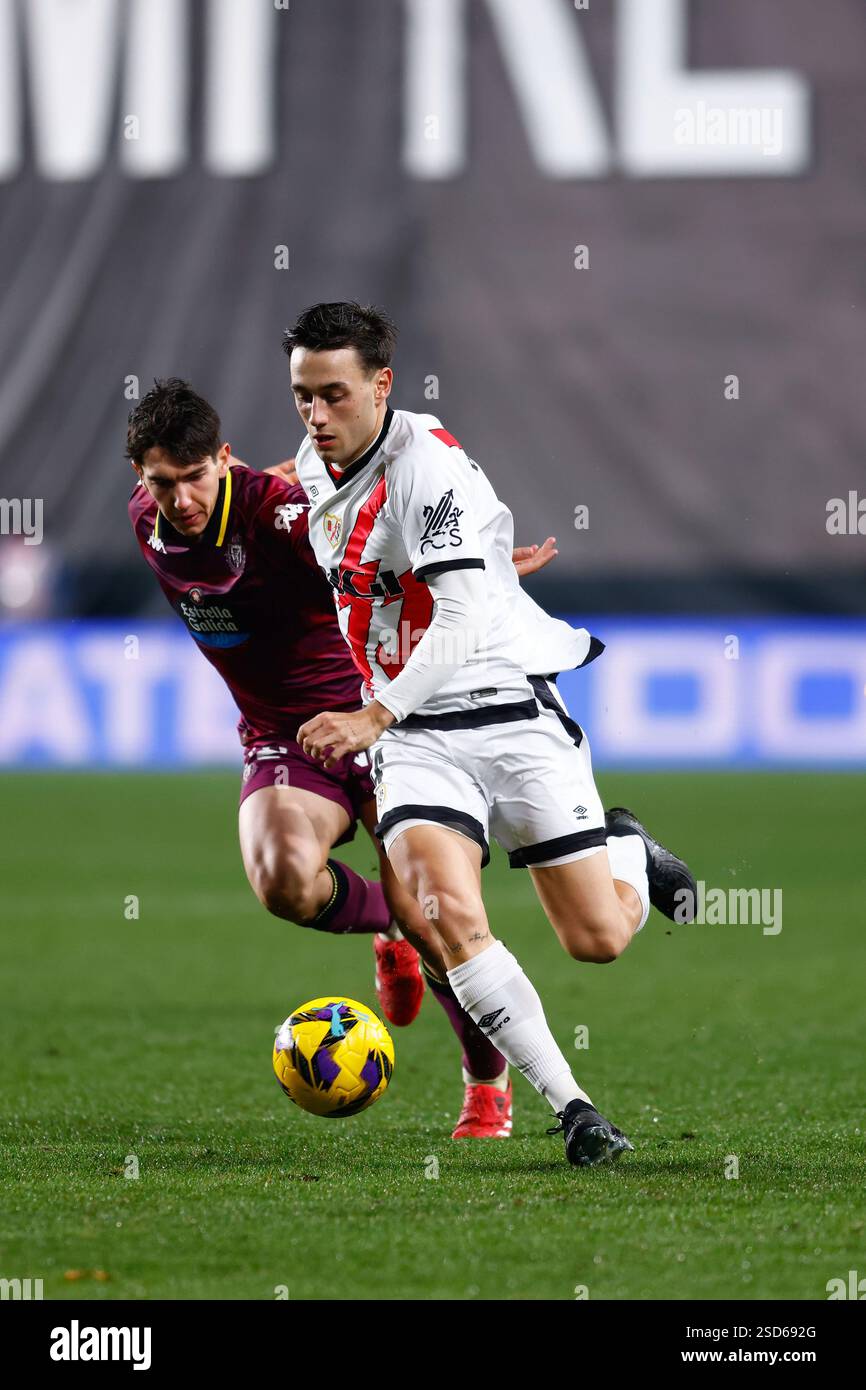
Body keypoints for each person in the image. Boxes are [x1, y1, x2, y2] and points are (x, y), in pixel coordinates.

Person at [287, 302, 697, 1167]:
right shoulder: (314, 467)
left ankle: (628, 847)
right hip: (420, 742)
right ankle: (576, 1111)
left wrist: (373, 711)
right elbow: (391, 570)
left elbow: (467, 615)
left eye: (333, 395)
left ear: (382, 386)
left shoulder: (425, 469)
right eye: (302, 397)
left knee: (598, 940)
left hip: (507, 712)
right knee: (445, 915)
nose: (317, 416)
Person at [125, 377, 558, 1138]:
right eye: (164, 483)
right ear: (142, 479)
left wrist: (475, 572)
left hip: (379, 718)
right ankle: (388, 931)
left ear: (222, 461)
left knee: (436, 921)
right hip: (283, 734)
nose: (183, 498)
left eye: (197, 477)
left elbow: (380, 546)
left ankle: (486, 1084)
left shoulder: (284, 520)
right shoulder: (148, 522)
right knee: (284, 883)